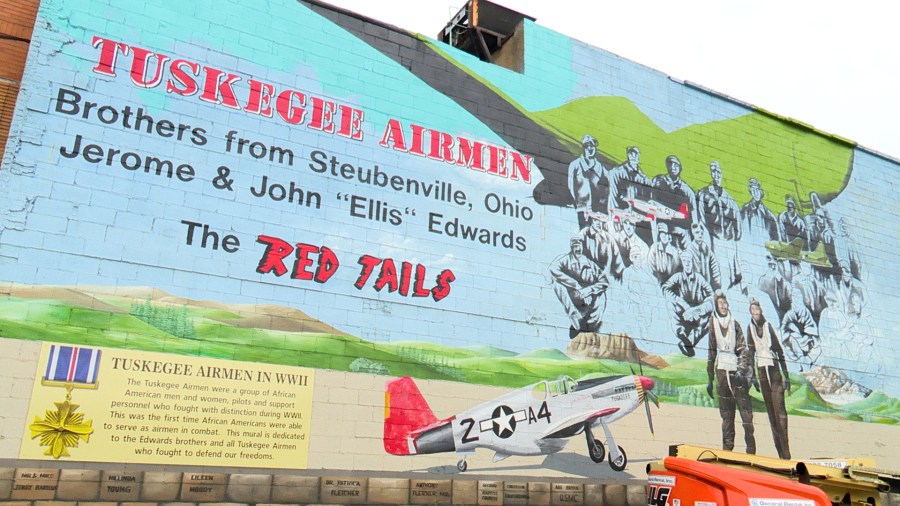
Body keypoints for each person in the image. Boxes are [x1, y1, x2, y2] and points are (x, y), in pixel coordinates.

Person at [707, 290, 756, 454]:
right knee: (727, 416)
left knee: (745, 414)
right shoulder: (712, 324)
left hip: (735, 371)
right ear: (716, 305)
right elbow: (711, 351)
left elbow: (743, 348)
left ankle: (751, 448)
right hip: (721, 371)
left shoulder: (735, 324)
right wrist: (710, 378)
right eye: (720, 303)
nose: (723, 306)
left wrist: (742, 369)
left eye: (725, 303)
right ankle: (727, 451)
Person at [746, 298, 791, 459]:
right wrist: (752, 376)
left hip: (774, 370)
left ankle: (786, 453)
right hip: (761, 371)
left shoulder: (767, 326)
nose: (755, 313)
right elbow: (750, 353)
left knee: (779, 411)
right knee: (771, 414)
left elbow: (779, 350)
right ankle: (780, 452)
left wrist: (786, 374)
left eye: (757, 309)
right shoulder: (750, 328)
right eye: (752, 310)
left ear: (760, 310)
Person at [550, 236, 609, 338]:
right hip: (572, 295)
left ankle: (590, 324)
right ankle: (575, 317)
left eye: (579, 246)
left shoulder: (590, 264)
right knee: (557, 284)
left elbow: (604, 281)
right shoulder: (565, 260)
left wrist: (589, 290)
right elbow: (553, 270)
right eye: (575, 246)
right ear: (571, 248)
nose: (578, 249)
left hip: (588, 298)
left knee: (601, 294)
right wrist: (576, 285)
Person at [663, 251, 714, 356]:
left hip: (696, 314)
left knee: (711, 320)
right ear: (682, 263)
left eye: (689, 261)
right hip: (683, 312)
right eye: (684, 261)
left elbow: (712, 297)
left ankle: (688, 342)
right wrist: (681, 302)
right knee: (670, 304)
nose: (687, 263)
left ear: (692, 262)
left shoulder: (699, 278)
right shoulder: (678, 277)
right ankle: (680, 332)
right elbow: (665, 289)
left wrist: (699, 309)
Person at [652, 155, 697, 244]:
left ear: (680, 168)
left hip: (680, 225)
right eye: (670, 164)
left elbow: (693, 210)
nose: (673, 167)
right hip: (662, 222)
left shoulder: (686, 189)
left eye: (676, 165)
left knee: (685, 240)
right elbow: (652, 201)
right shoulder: (659, 181)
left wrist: (694, 228)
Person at [568, 135, 608, 229]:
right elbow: (571, 186)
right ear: (584, 148)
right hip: (581, 208)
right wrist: (576, 202)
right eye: (587, 146)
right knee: (583, 232)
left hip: (595, 209)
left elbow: (611, 179)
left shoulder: (599, 166)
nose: (590, 148)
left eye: (592, 146)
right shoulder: (575, 164)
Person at [607, 146, 651, 211]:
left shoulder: (642, 177)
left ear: (639, 156)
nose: (633, 156)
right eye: (631, 153)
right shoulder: (617, 172)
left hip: (636, 214)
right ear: (628, 155)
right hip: (622, 211)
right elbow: (613, 195)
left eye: (635, 154)